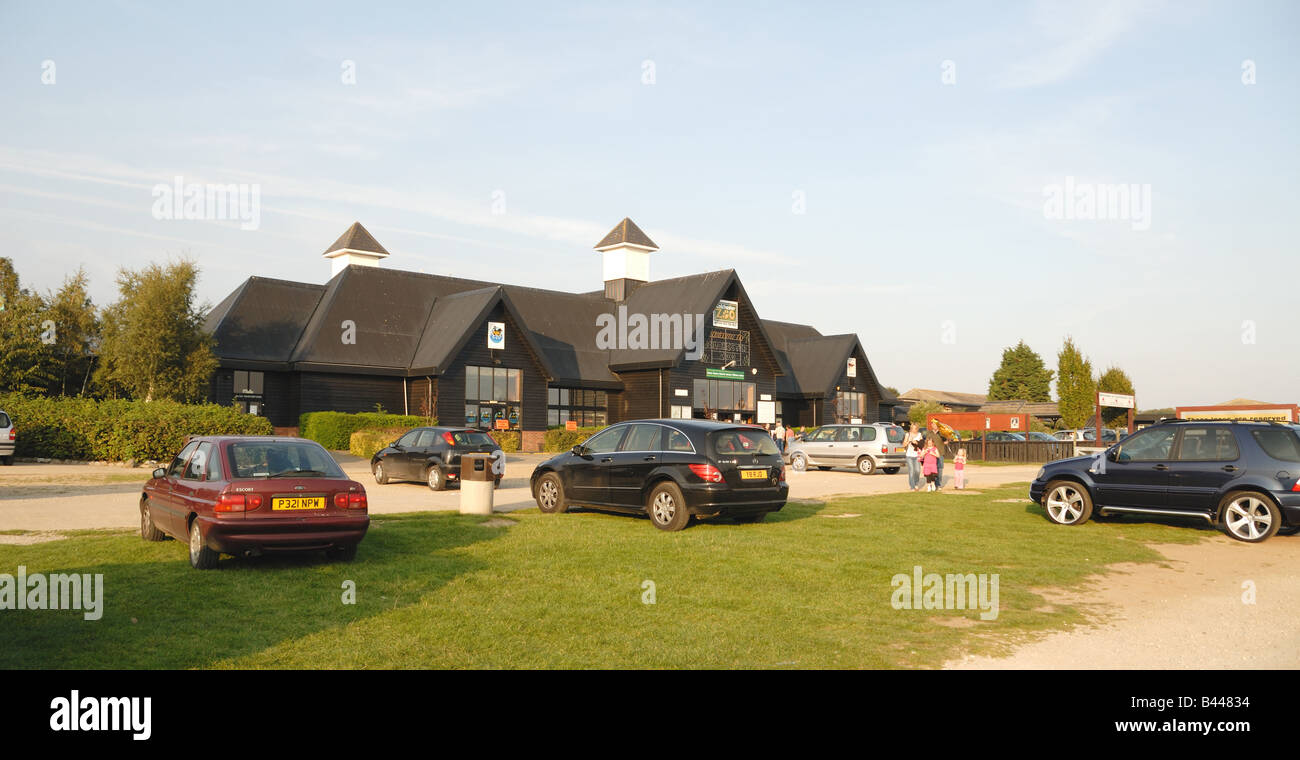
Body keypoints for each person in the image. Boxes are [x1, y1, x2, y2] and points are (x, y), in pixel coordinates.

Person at [924, 419, 946, 490]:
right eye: (933, 424)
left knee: (939, 470)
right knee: (932, 470)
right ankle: (931, 484)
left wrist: (945, 440)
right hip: (931, 454)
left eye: (935, 424)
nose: (934, 425)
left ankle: (938, 484)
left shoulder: (942, 433)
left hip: (940, 453)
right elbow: (926, 443)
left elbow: (946, 442)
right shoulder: (929, 433)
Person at [904, 424, 922, 491]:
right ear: (911, 428)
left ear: (917, 429)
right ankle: (912, 486)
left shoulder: (919, 435)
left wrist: (916, 442)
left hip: (917, 455)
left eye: (915, 428)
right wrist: (908, 441)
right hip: (909, 455)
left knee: (917, 470)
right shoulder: (907, 434)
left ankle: (916, 483)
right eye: (913, 428)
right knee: (911, 471)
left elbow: (922, 444)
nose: (914, 430)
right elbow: (903, 445)